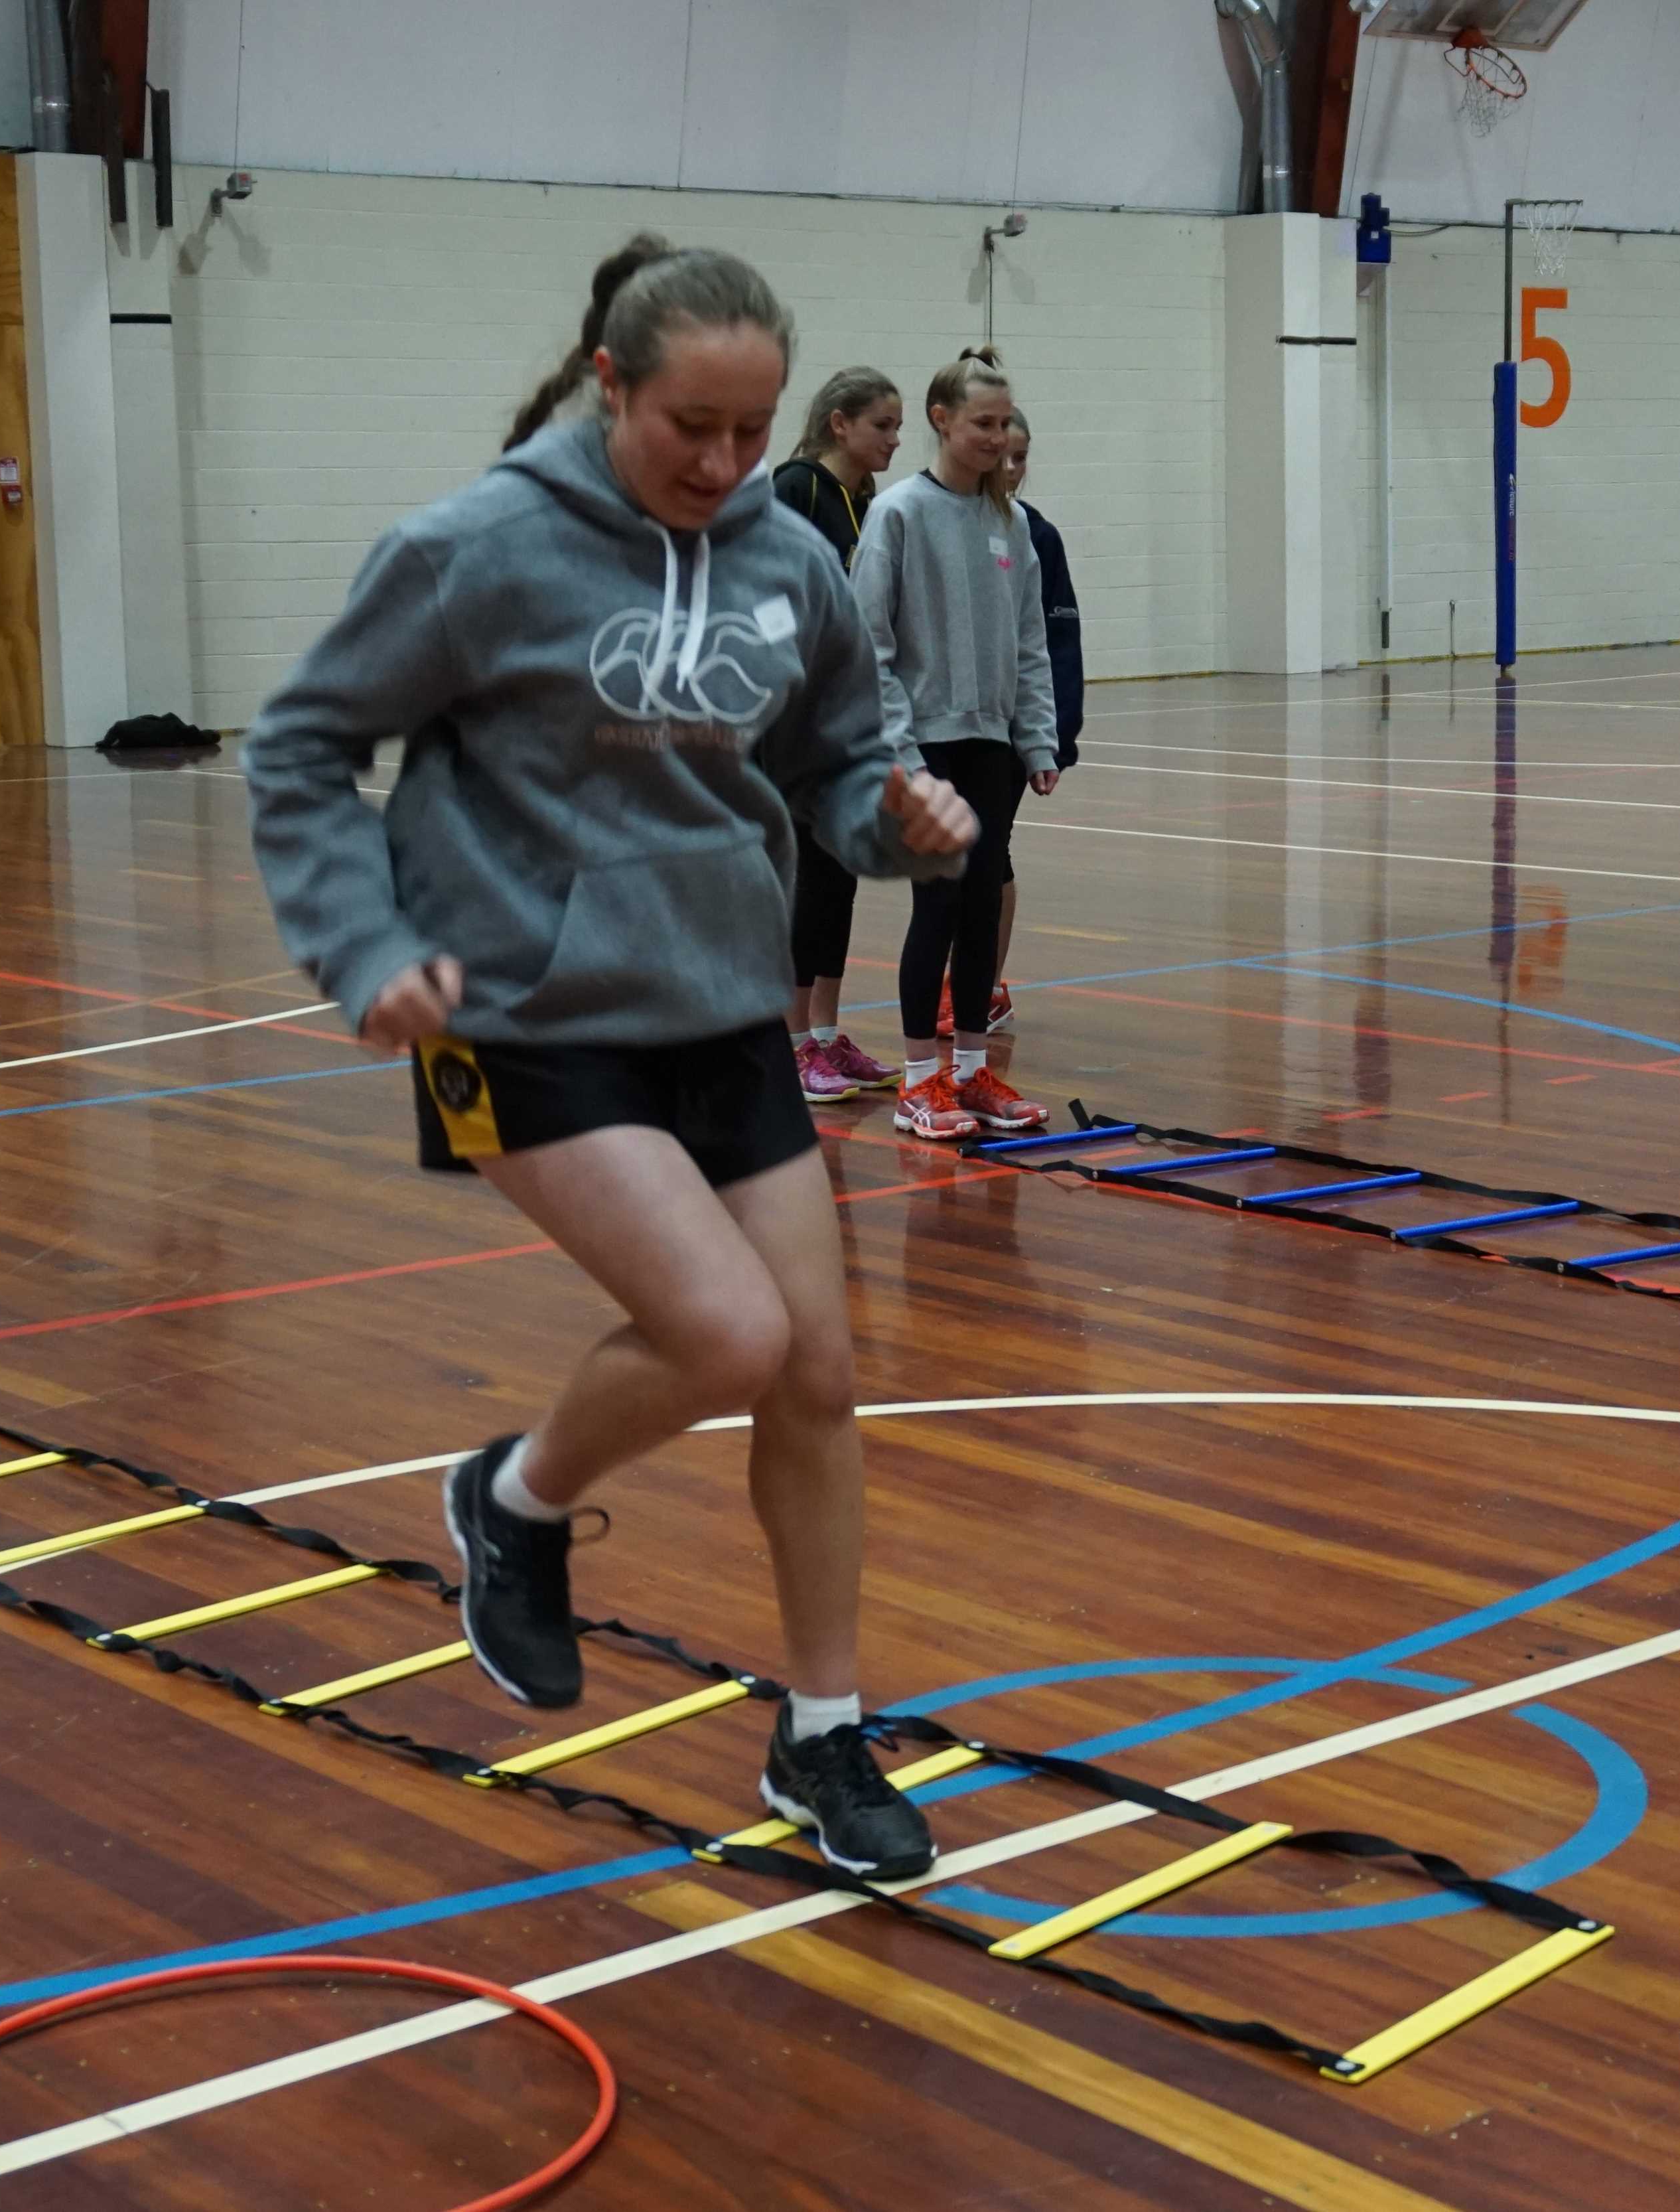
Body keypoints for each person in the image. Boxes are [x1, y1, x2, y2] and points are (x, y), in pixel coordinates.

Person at [242, 236, 979, 1880]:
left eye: (750, 430)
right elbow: (299, 748)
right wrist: (360, 948)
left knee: (816, 1373)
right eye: (686, 431)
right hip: (517, 1010)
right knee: (724, 1328)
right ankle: (514, 1498)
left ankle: (823, 1733)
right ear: (609, 386)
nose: (722, 467)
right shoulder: (474, 549)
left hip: (716, 1001)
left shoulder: (785, 553)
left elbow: (840, 756)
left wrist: (898, 817)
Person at [857, 347, 1060, 1140]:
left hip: (992, 748)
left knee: (981, 908)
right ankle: (917, 1085)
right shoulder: (898, 514)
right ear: (940, 420)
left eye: (1005, 422)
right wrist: (902, 756)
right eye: (983, 422)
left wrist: (1036, 741)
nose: (997, 436)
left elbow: (1030, 642)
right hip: (923, 750)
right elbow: (865, 643)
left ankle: (972, 1076)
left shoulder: (1011, 525)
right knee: (937, 904)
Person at [772, 367, 908, 1103]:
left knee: (839, 878)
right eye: (881, 426)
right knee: (805, 883)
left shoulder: (866, 503)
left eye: (895, 427)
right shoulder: (793, 491)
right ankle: (791, 1043)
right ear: (838, 425)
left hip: (853, 725)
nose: (893, 440)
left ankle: (825, 1033)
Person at [983, 405, 1082, 1030]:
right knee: (951, 863)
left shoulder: (1037, 535)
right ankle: (959, 978)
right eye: (1002, 455)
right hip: (948, 726)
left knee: (993, 853)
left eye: (1021, 457)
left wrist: (1052, 737)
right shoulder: (930, 518)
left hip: (1010, 731)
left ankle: (985, 987)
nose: (1012, 469)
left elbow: (1056, 643)